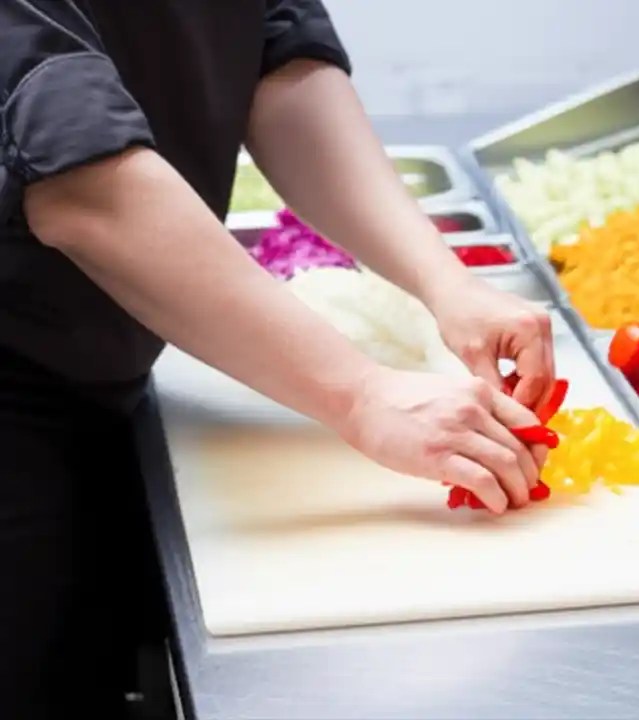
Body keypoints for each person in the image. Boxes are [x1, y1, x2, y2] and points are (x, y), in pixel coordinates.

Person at [0, 1, 556, 717]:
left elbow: (276, 63)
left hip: (102, 362)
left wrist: (444, 282)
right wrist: (361, 395)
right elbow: (82, 189)